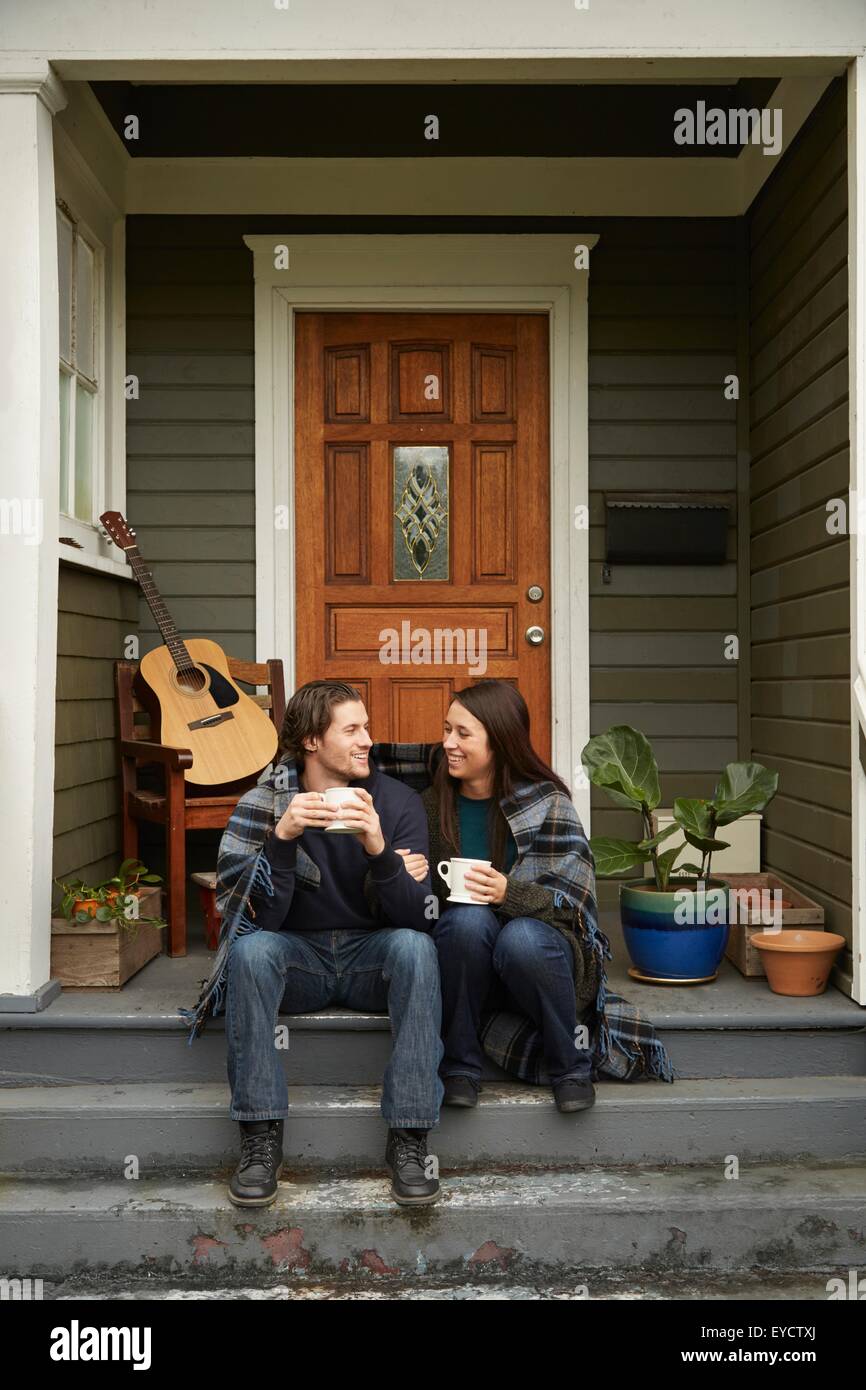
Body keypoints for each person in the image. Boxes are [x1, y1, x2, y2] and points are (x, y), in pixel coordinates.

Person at [180, 680, 443, 1209]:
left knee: (416, 949)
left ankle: (410, 1139)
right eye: (352, 730)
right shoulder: (265, 804)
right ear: (311, 742)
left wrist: (379, 849)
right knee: (251, 953)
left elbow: (419, 917)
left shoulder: (397, 803)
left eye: (366, 727)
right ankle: (259, 1139)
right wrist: (281, 842)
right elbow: (256, 919)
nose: (367, 739)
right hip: (298, 959)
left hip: (374, 958)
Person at [392, 681, 601, 1113]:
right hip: (465, 960)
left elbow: (571, 909)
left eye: (463, 734)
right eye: (446, 730)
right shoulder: (430, 804)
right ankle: (460, 1068)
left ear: (500, 740)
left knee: (520, 937)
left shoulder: (547, 804)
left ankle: (570, 1068)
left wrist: (509, 893)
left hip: (539, 957)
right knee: (467, 921)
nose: (448, 743)